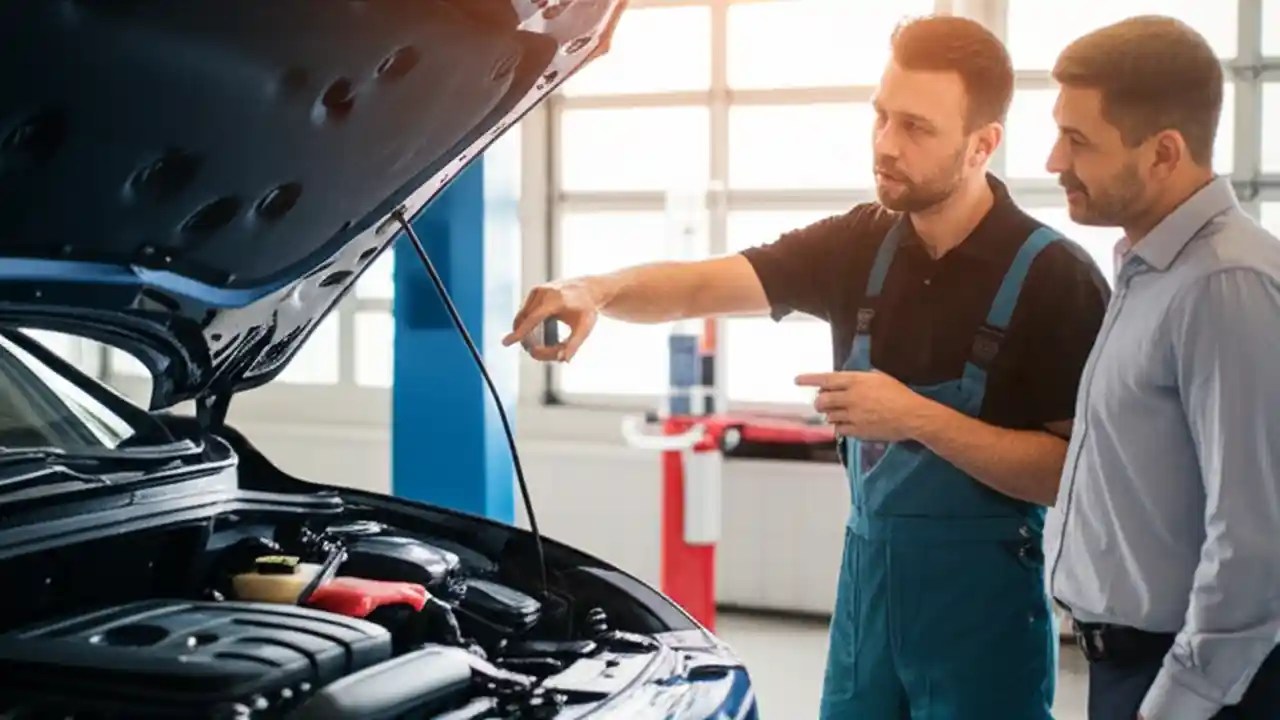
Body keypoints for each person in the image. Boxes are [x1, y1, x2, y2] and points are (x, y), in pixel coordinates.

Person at [508, 15, 1110, 719]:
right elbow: (703, 284)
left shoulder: (1055, 280)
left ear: (983, 145)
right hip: (866, 606)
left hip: (984, 622)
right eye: (881, 117)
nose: (886, 144)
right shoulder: (859, 245)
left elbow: (1070, 475)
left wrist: (914, 418)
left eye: (916, 128)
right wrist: (597, 290)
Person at [1042, 15, 1280, 720]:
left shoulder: (1224, 285)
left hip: (1200, 688)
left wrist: (1177, 703)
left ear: (1164, 153)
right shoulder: (1153, 270)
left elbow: (1256, 540)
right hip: (1134, 668)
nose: (1055, 160)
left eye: (1078, 140)